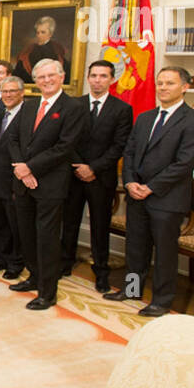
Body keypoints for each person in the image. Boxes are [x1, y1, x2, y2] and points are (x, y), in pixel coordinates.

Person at [104, 66, 194, 316]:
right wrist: (129, 182)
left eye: (170, 83)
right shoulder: (145, 118)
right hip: (136, 194)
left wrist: (151, 187)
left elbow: (185, 164)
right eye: (160, 83)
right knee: (135, 247)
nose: (163, 88)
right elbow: (129, 152)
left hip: (167, 199)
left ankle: (162, 301)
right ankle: (131, 290)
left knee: (164, 252)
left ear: (185, 87)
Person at [5, 58, 86, 310]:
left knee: (47, 238)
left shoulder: (73, 107)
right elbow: (13, 138)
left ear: (61, 77)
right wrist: (20, 166)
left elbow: (65, 147)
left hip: (50, 184)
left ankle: (47, 292)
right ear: (35, 80)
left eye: (51, 75)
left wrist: (31, 167)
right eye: (41, 77)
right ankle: (34, 276)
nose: (46, 80)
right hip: (23, 181)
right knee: (26, 234)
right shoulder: (28, 106)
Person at [61, 59, 133, 292]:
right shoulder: (74, 104)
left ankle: (101, 271)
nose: (98, 80)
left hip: (101, 178)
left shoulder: (122, 109)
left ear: (112, 80)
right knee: (69, 222)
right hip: (73, 174)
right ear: (88, 78)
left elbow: (119, 146)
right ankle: (65, 262)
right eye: (94, 75)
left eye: (103, 76)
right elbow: (66, 140)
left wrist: (93, 168)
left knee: (100, 226)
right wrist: (79, 166)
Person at [0, 76, 27, 279]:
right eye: (5, 91)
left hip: (15, 181)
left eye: (12, 91)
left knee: (15, 225)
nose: (8, 95)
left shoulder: (28, 114)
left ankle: (15, 262)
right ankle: (0, 258)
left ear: (22, 93)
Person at [13, 16, 71, 84]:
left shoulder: (58, 50)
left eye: (43, 32)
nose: (39, 35)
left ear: (50, 34)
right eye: (38, 33)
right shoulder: (29, 50)